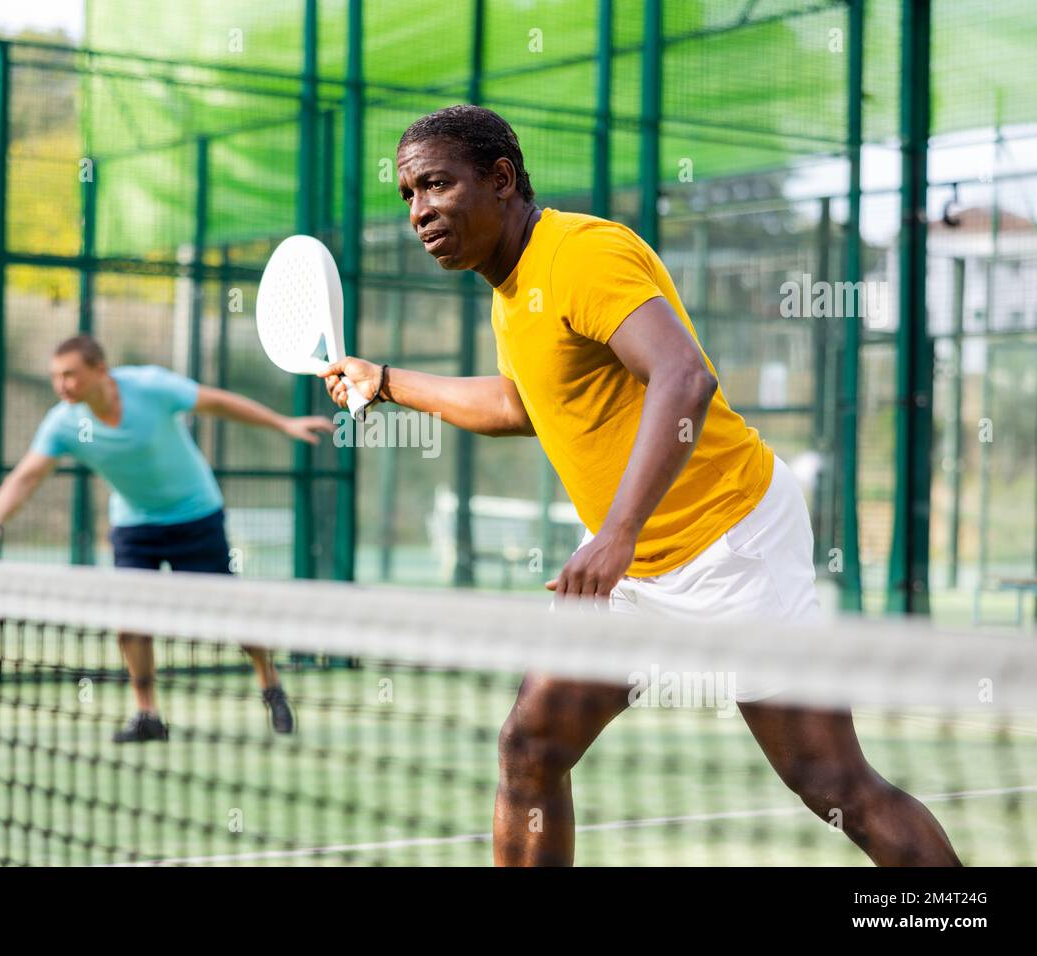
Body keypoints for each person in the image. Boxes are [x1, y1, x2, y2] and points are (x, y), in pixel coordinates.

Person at [321, 104, 959, 866]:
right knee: (531, 746)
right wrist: (386, 381)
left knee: (831, 784)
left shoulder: (579, 255)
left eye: (435, 185)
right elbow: (521, 404)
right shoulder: (513, 286)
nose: (420, 211)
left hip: (731, 541)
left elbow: (684, 376)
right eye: (408, 195)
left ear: (501, 179)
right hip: (631, 567)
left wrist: (616, 534)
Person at [0, 334, 334, 743]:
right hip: (135, 526)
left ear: (100, 369)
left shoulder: (150, 387)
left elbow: (217, 402)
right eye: (55, 377)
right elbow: (26, 475)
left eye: (70, 375)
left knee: (231, 612)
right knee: (130, 621)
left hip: (195, 514)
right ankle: (147, 715)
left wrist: (282, 423)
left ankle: (269, 684)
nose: (62, 386)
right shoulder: (64, 422)